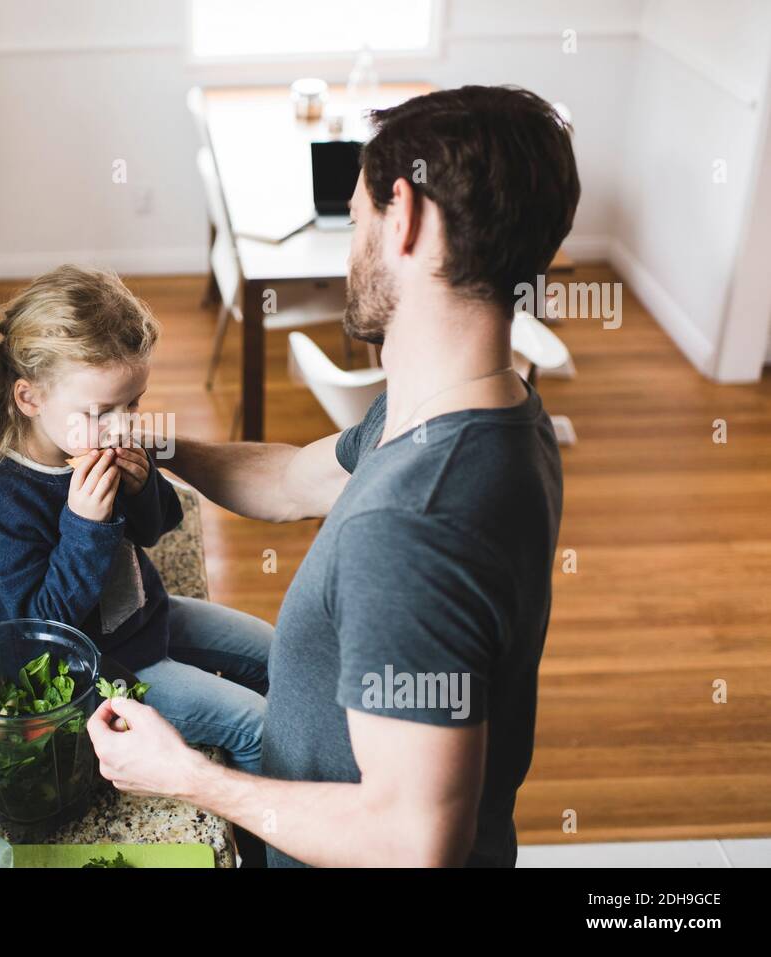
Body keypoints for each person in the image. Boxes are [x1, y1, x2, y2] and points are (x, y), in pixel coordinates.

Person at [87, 85, 580, 867]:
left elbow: (415, 843)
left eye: (355, 220)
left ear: (407, 218)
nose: (351, 248)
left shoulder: (413, 524)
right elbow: (289, 480)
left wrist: (186, 774)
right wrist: (159, 442)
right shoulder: (483, 410)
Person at [0, 265, 273, 773]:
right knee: (259, 728)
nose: (123, 427)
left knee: (281, 653)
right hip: (100, 674)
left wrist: (141, 490)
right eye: (101, 411)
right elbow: (30, 644)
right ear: (29, 397)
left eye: (132, 404)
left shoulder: (90, 442)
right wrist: (85, 526)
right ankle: (269, 840)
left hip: (145, 621)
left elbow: (159, 527)